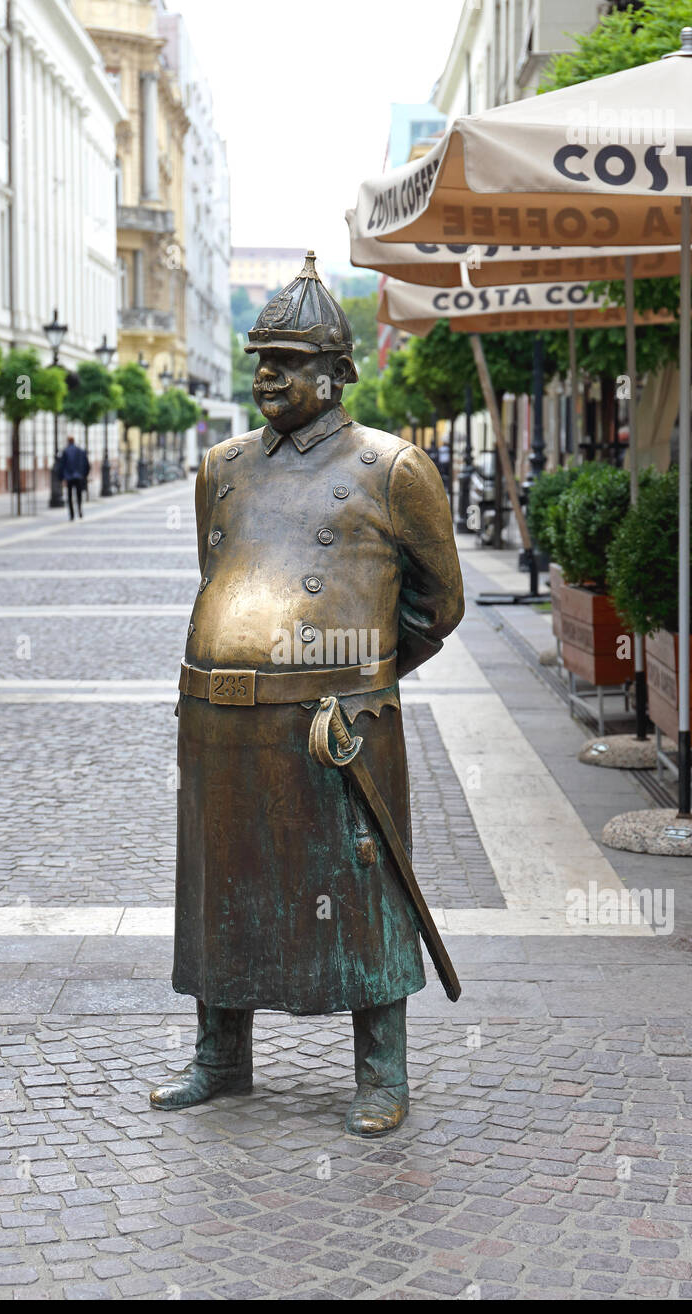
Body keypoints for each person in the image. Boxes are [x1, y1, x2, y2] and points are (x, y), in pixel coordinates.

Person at [149, 253, 464, 1136]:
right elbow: (222, 572)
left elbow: (439, 605)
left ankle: (381, 1069)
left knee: (361, 886)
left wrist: (360, 676)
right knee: (222, 881)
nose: (267, 377)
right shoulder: (223, 465)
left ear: (337, 373)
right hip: (222, 717)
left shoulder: (392, 469)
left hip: (337, 727)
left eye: (286, 361)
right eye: (261, 359)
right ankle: (219, 1055)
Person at [58, 436, 89, 520]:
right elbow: (86, 464)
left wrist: (61, 477)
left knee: (69, 496)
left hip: (69, 477)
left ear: (68, 442)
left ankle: (71, 514)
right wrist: (85, 475)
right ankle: (79, 510)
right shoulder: (80, 451)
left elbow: (62, 465)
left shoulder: (65, 451)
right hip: (79, 476)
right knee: (79, 495)